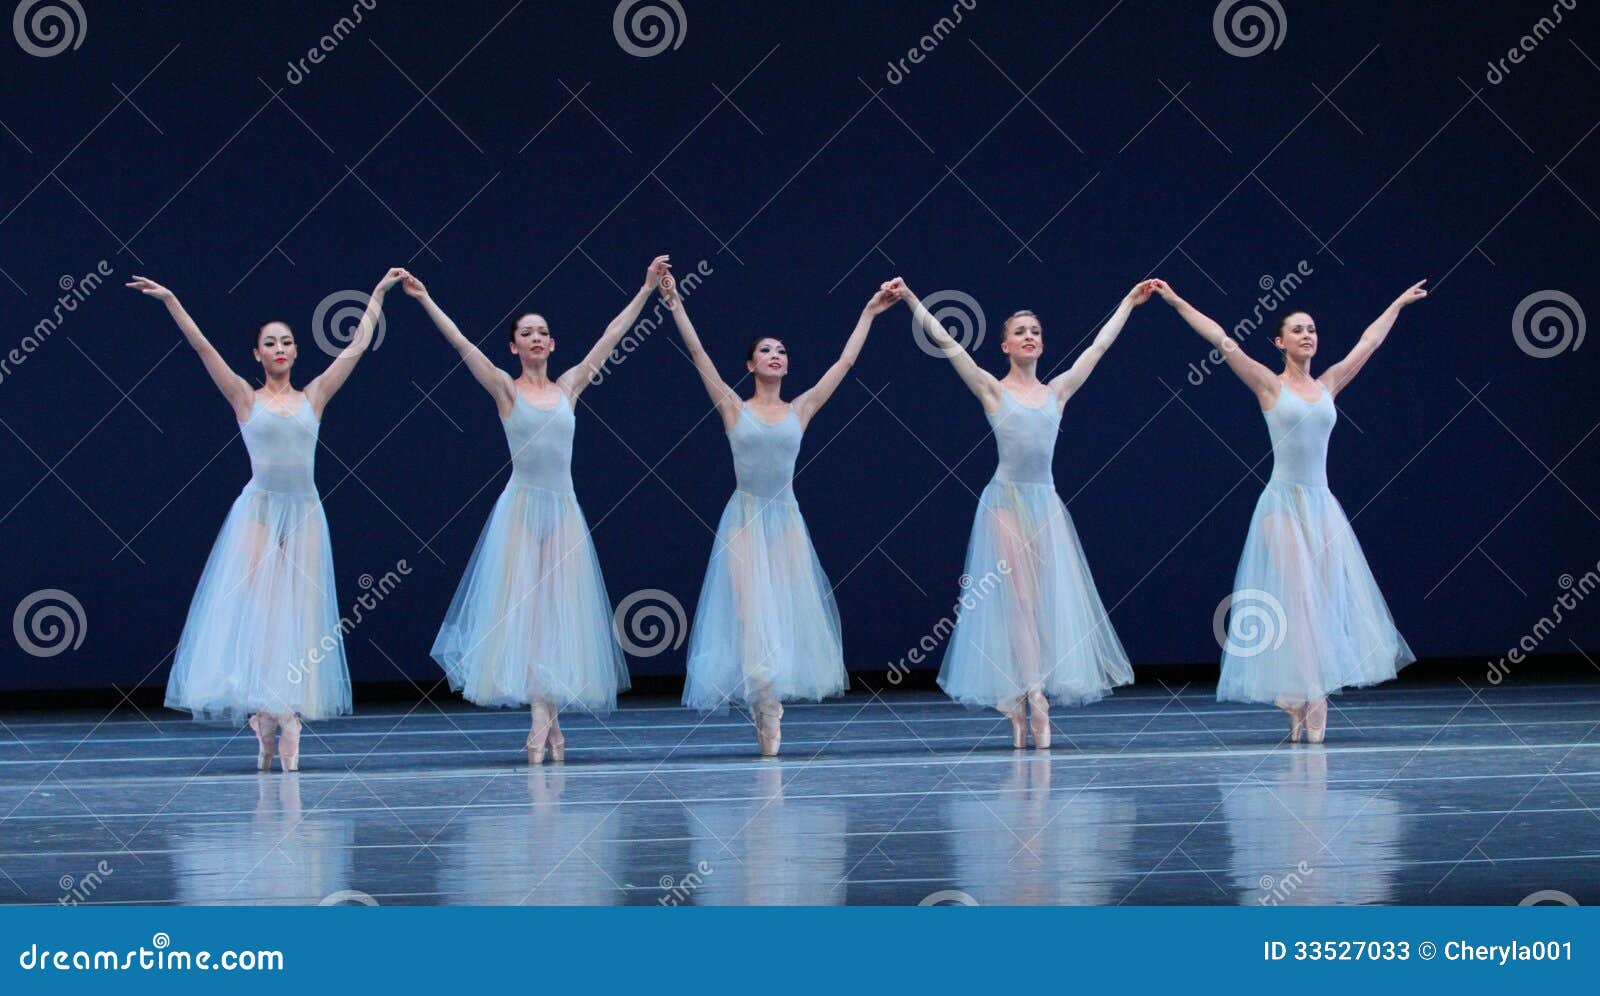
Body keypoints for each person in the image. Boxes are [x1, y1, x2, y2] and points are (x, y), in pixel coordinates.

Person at [126, 268, 404, 770]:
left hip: (303, 512)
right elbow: (202, 347)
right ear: (256, 355)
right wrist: (171, 300)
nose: (279, 349)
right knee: (263, 614)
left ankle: (285, 713)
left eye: (287, 342)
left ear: (296, 352)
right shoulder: (244, 397)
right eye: (270, 343)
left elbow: (357, 347)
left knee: (299, 615)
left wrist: (379, 294)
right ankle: (267, 715)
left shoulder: (314, 396)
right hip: (257, 513)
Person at [411, 256, 671, 763]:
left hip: (563, 513)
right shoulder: (506, 390)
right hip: (521, 513)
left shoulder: (569, 387)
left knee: (556, 616)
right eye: (526, 333)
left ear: (552, 345)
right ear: (513, 346)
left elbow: (611, 336)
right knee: (526, 618)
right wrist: (425, 299)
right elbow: (461, 343)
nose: (535, 338)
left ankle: (549, 723)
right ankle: (540, 718)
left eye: (543, 333)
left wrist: (644, 290)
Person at [1152, 278, 1427, 742]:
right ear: (1279, 342)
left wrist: (1397, 303)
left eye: (1312, 329)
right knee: (1299, 599)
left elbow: (1370, 342)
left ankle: (1294, 695)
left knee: (1322, 601)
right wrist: (1175, 299)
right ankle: (1313, 695)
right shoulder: (1268, 385)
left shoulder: (1329, 384)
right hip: (1281, 504)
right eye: (1297, 329)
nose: (1307, 335)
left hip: (1321, 505)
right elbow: (1221, 338)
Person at [887, 276, 1148, 749]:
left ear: (1042, 344)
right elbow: (948, 344)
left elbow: (1099, 346)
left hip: (1045, 503)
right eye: (1020, 331)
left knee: (1042, 605)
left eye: (1036, 331)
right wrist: (909, 298)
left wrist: (1129, 301)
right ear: (1005, 345)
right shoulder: (992, 390)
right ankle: (1033, 695)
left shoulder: (1058, 391)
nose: (1029, 336)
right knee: (1020, 602)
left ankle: (1020, 695)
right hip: (1004, 502)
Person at [669, 273, 900, 755]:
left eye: (782, 351)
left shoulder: (802, 408)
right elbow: (697, 353)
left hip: (786, 521)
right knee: (750, 615)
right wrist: (674, 303)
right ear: (750, 364)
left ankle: (769, 704)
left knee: (787, 614)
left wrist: (869, 312)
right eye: (766, 350)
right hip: (743, 519)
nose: (776, 355)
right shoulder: (733, 408)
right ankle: (763, 700)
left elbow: (845, 362)